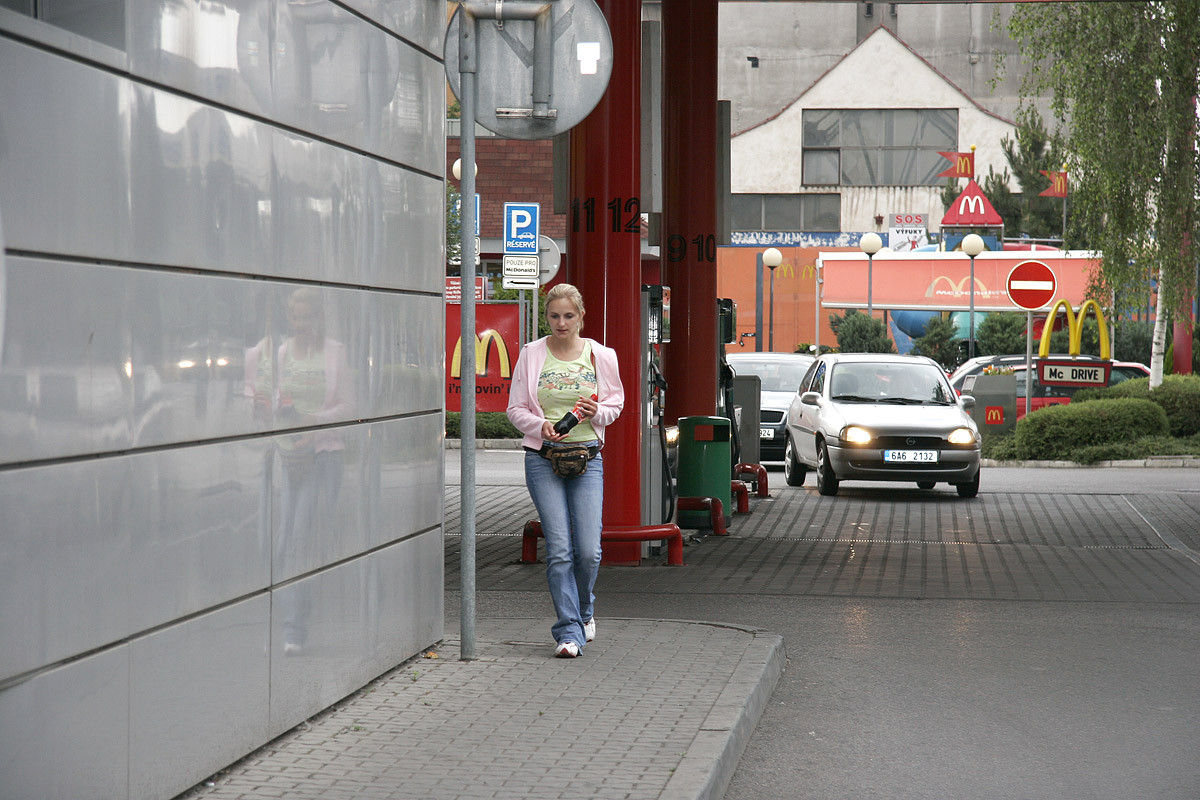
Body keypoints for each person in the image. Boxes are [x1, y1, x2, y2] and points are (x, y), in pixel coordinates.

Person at [507, 284, 624, 658]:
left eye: (568, 316)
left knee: (588, 551)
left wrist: (597, 413)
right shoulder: (531, 354)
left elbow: (615, 404)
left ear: (581, 317)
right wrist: (536, 426)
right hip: (543, 459)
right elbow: (515, 409)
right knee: (559, 550)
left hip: (587, 457)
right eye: (554, 316)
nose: (561, 323)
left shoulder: (601, 356)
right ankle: (568, 632)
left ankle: (585, 610)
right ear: (546, 318)